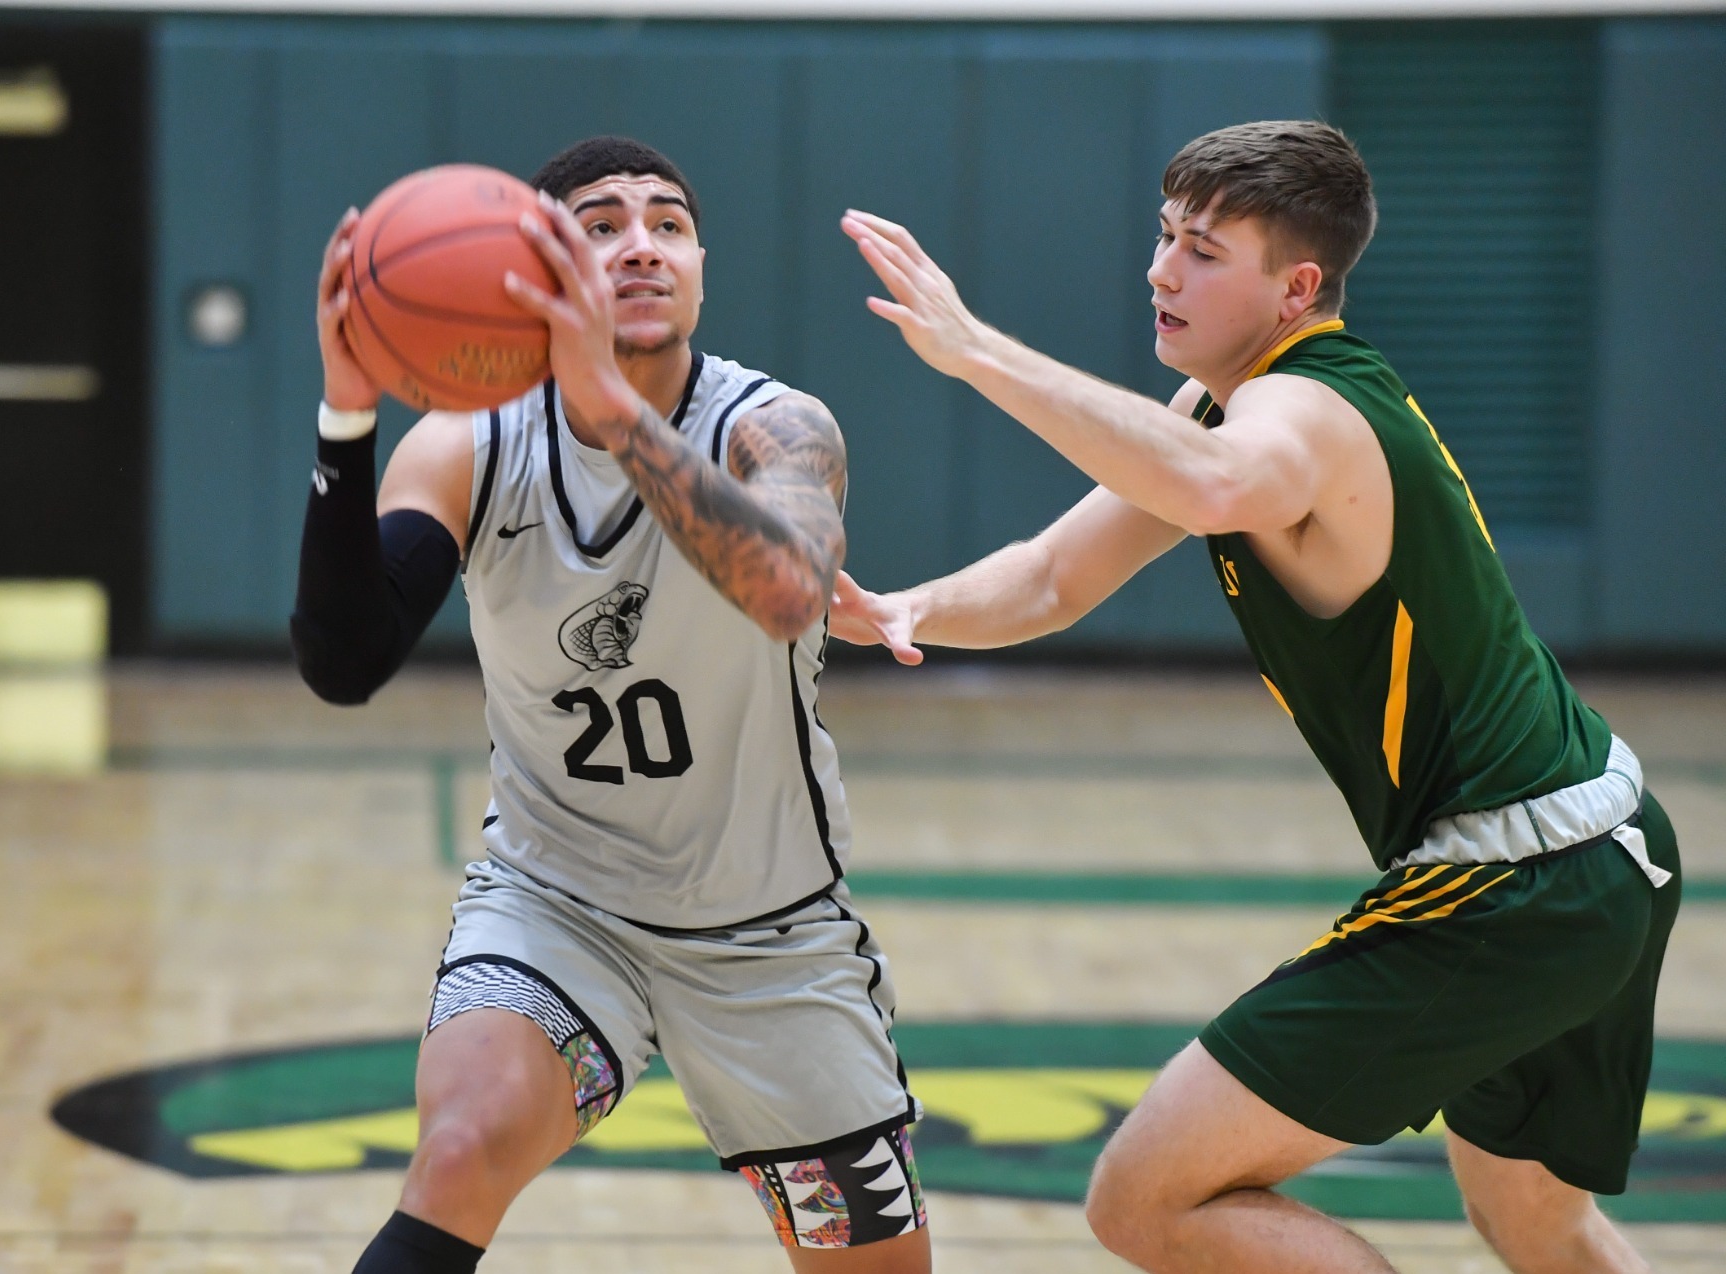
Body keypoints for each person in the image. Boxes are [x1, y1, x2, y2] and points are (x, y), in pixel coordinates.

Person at [831, 119, 1678, 1274]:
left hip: (1516, 879)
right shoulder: (1220, 405)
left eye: (1201, 250)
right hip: (1603, 842)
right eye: (1163, 235)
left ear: (1296, 288)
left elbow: (1219, 485)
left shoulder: (1302, 414)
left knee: (1145, 1196)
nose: (1159, 271)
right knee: (1534, 1218)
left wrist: (976, 350)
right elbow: (1049, 576)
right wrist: (907, 607)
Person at [293, 136, 929, 1274]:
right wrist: (348, 415)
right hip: (557, 904)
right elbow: (345, 660)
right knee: (461, 1149)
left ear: (699, 269)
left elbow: (788, 593)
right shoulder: (469, 443)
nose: (642, 245)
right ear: (535, 273)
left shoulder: (777, 425)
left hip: (769, 932)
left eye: (668, 224)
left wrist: (613, 410)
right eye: (600, 226)